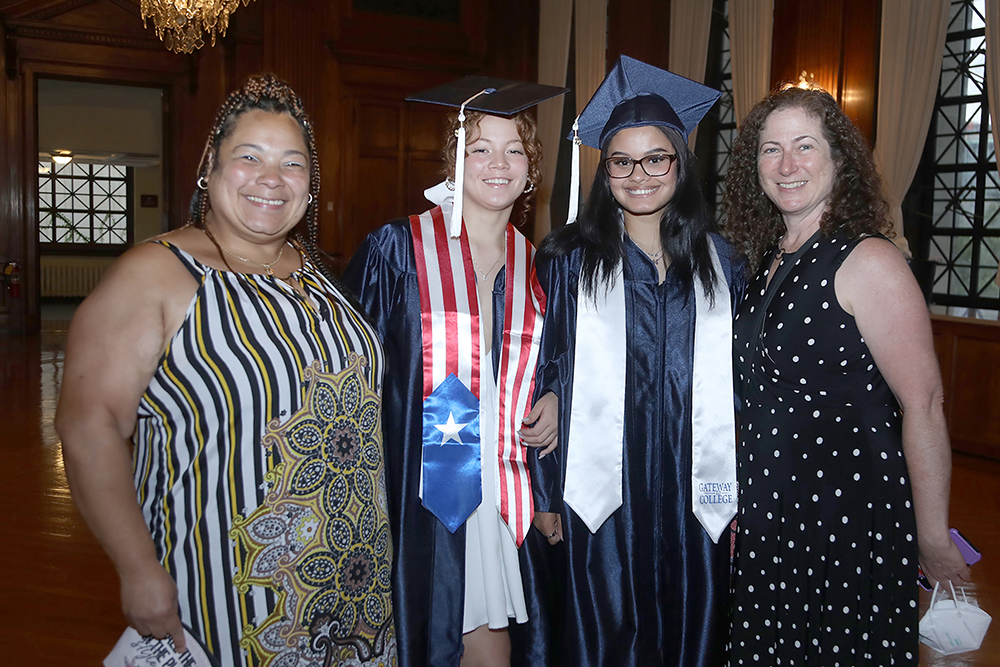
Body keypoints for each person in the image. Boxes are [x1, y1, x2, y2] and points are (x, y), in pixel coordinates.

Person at [57, 74, 397, 667]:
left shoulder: (311, 269)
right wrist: (137, 568)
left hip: (353, 583)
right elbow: (89, 424)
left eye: (292, 163)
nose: (272, 177)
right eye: (250, 157)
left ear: (309, 185)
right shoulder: (157, 274)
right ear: (208, 169)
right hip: (229, 592)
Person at [722, 86, 970, 665]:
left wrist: (932, 537)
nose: (787, 165)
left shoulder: (868, 260)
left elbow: (925, 404)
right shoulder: (764, 263)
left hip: (848, 524)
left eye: (805, 146)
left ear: (839, 159)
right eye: (770, 149)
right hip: (772, 516)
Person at [519, 56, 742, 667]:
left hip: (695, 496)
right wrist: (543, 493)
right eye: (621, 161)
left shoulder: (723, 263)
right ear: (604, 170)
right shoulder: (567, 259)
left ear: (680, 163)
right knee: (603, 635)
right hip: (600, 497)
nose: (639, 174)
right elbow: (544, 371)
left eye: (655, 159)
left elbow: (743, 385)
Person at [342, 77, 566, 667]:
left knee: (491, 636)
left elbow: (559, 365)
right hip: (421, 476)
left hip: (505, 480)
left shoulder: (542, 267)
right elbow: (349, 370)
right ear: (454, 161)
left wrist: (557, 398)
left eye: (514, 149)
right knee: (430, 624)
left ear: (531, 168)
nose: (499, 163)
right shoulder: (397, 248)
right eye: (480, 148)